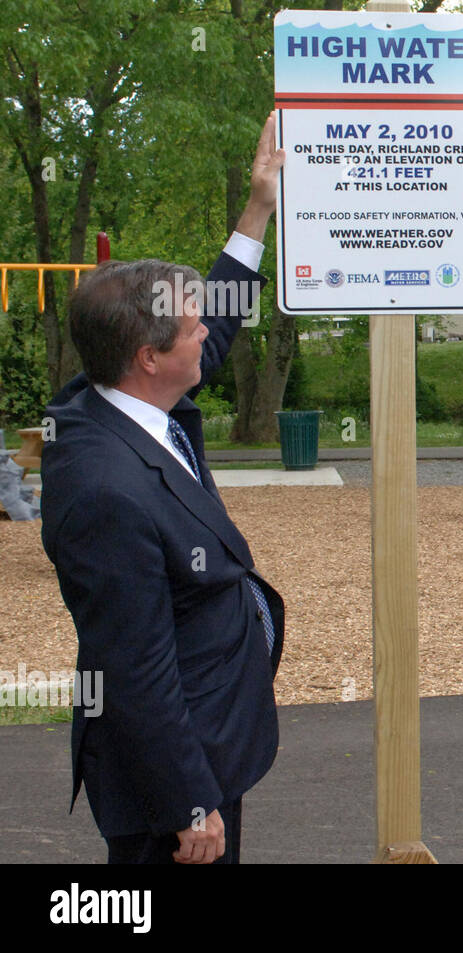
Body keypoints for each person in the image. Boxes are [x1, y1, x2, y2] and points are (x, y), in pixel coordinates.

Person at [40, 114, 287, 864]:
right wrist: (190, 802)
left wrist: (258, 209)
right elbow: (133, 666)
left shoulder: (118, 394)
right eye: (192, 329)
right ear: (149, 356)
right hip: (171, 785)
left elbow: (209, 327)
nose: (207, 333)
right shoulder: (103, 491)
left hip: (208, 739)